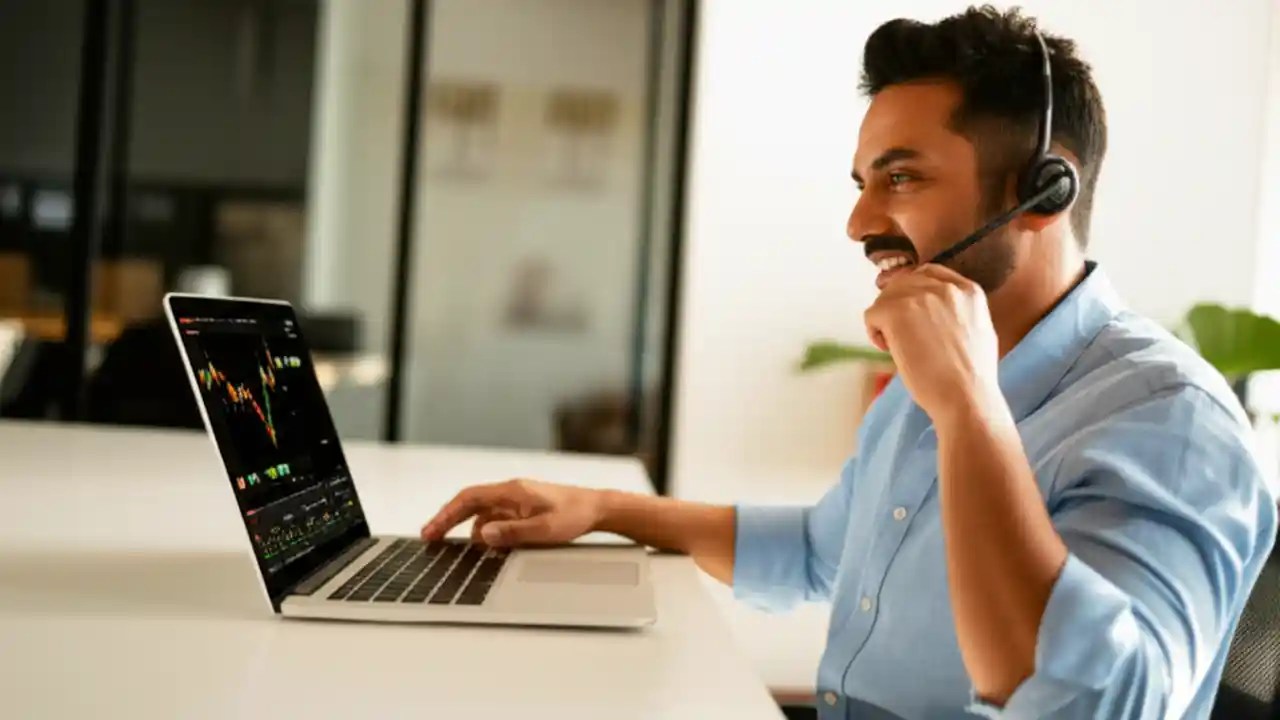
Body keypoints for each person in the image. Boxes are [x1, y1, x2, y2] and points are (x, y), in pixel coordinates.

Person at [421, 7, 1277, 719]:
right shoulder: (932, 377)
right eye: (862, 182)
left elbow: (1095, 704)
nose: (859, 222)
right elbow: (818, 551)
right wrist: (607, 507)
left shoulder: (1171, 421)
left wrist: (970, 408)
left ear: (1042, 192)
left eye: (900, 180)